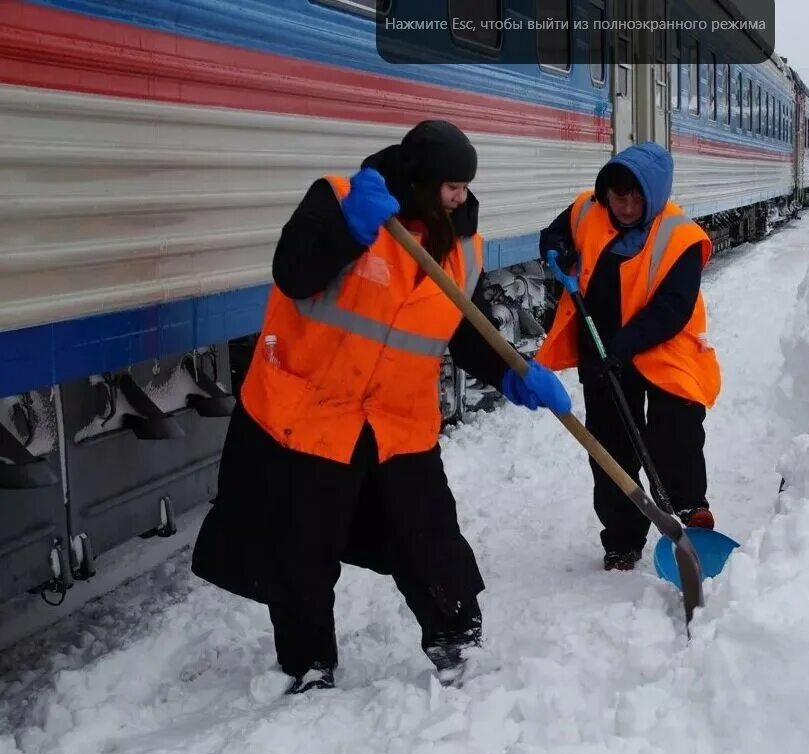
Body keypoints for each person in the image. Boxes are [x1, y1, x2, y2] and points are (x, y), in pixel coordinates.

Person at [191, 120, 571, 694]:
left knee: (429, 534)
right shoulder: (341, 201)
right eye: (450, 186)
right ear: (418, 181)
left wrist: (513, 372)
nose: (460, 197)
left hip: (397, 419)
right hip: (313, 413)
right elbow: (292, 272)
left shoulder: (464, 245)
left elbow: (465, 332)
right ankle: (307, 663)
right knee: (303, 547)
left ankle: (457, 638)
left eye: (465, 186)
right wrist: (346, 231)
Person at [535, 142, 721, 572]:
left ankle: (689, 507)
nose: (628, 207)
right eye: (620, 196)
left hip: (663, 346)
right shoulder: (587, 209)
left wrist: (623, 346)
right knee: (611, 445)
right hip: (600, 346)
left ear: (655, 197)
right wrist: (557, 249)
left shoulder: (681, 236)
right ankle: (622, 538)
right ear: (606, 192)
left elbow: (672, 308)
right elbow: (553, 234)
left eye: (639, 198)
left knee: (676, 429)